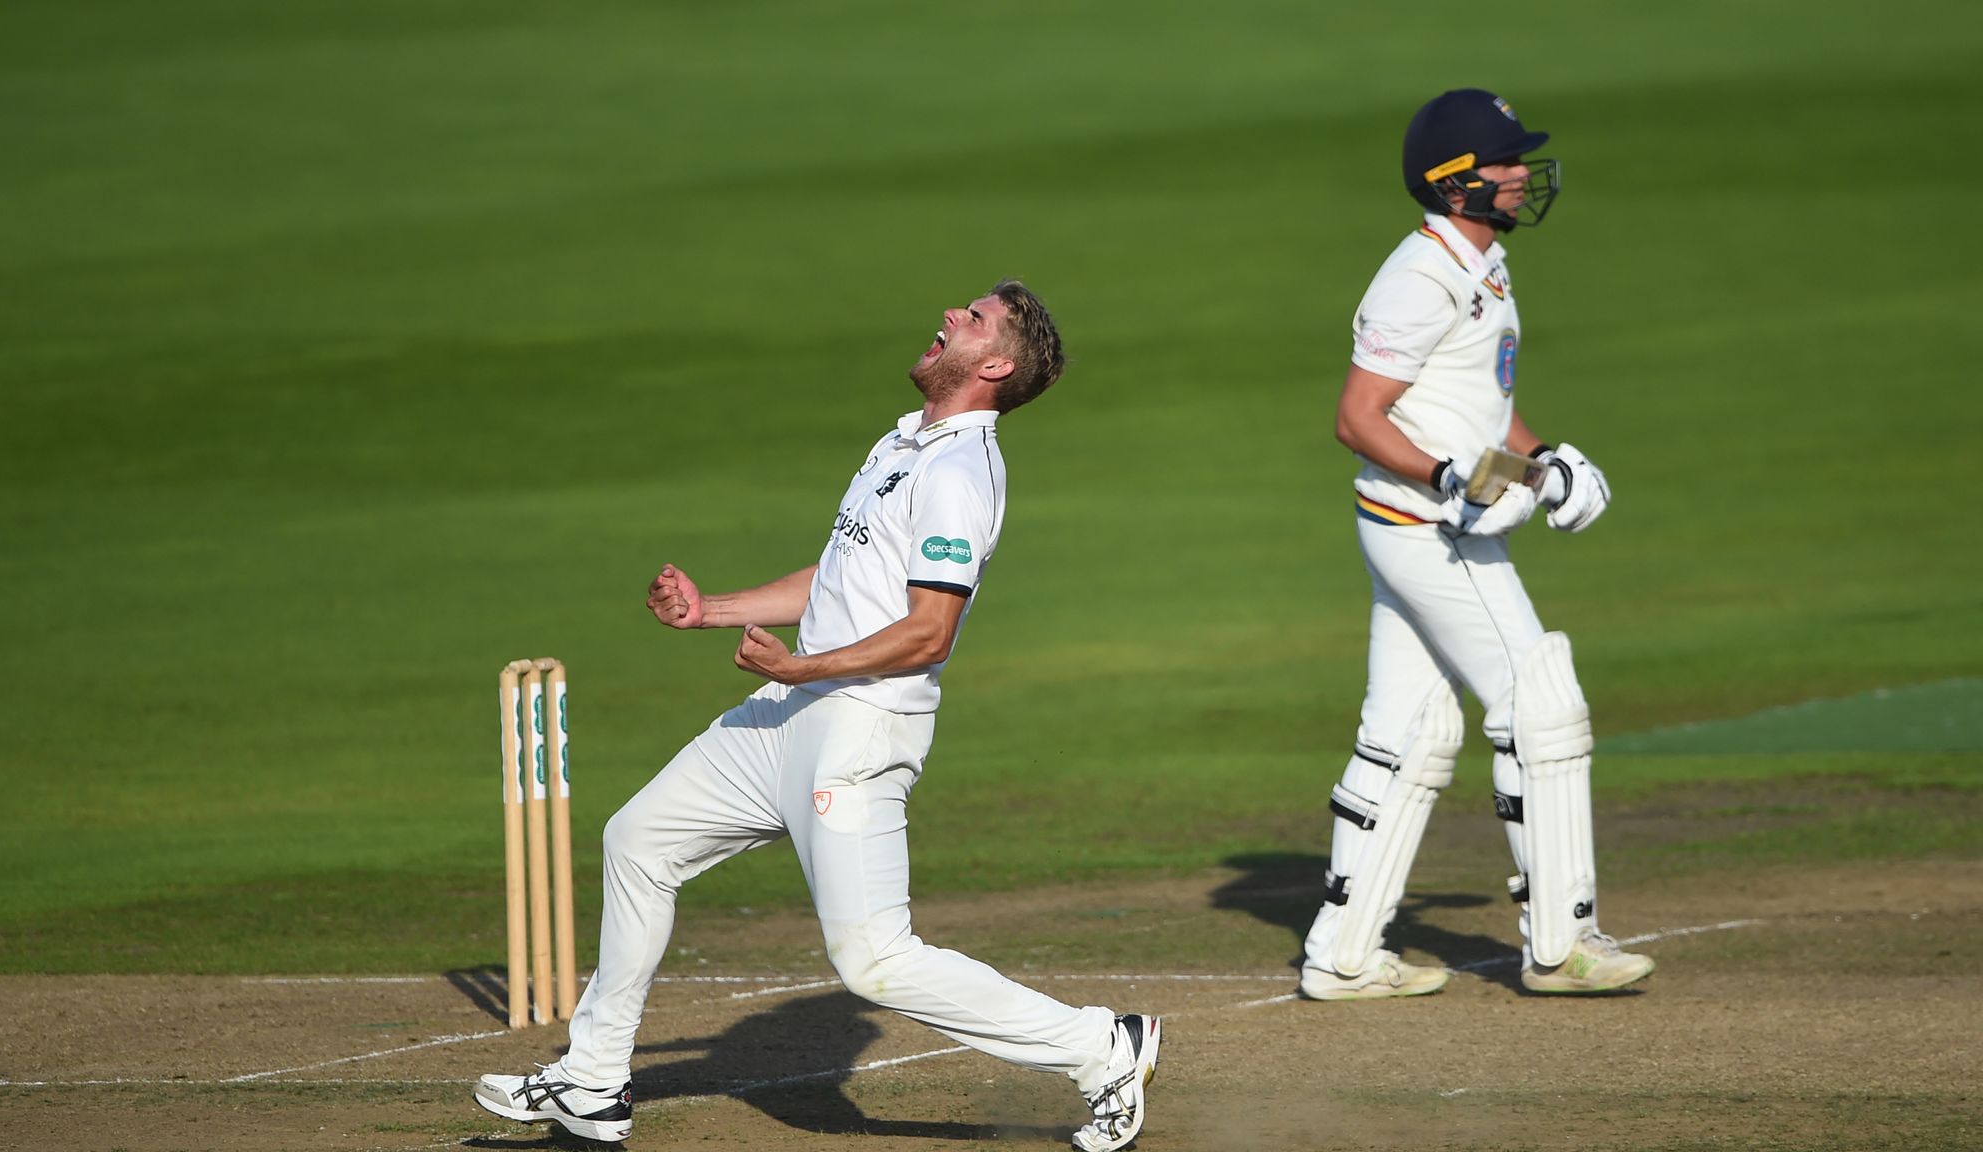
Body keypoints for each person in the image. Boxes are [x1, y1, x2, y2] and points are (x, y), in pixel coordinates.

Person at [474, 280, 1160, 1150]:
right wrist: (709, 610)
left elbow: (927, 630)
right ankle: (592, 1080)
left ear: (992, 364)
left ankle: (1104, 1047)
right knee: (639, 840)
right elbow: (838, 578)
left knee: (874, 961)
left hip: (859, 729)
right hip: (791, 713)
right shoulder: (906, 440)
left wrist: (802, 664)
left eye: (974, 319)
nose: (952, 312)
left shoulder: (959, 472)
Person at [1297, 89, 1656, 1001]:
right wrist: (1448, 480)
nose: (1523, 174)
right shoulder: (1421, 276)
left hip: (1421, 524)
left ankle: (1342, 956)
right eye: (1505, 162)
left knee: (1413, 730)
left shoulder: (1480, 265)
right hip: (1430, 528)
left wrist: (1545, 463)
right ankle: (1561, 945)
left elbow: (1479, 407)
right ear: (1456, 183)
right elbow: (1357, 417)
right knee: (1541, 700)